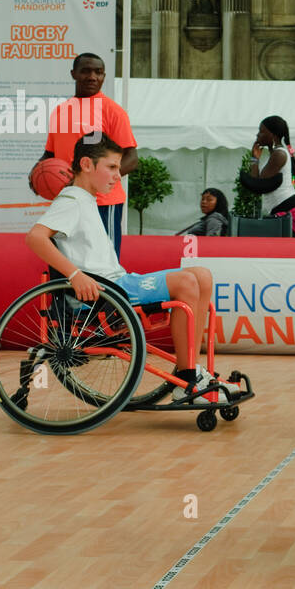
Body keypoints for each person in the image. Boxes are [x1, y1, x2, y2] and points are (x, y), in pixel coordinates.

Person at [25, 135, 229, 403]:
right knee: (188, 282)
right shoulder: (72, 201)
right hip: (105, 294)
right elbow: (35, 237)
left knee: (202, 275)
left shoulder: (86, 199)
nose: (118, 176)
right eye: (111, 167)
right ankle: (188, 379)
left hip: (117, 285)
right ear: (86, 164)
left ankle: (190, 369)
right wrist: (76, 276)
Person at [39, 53, 138, 255]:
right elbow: (50, 155)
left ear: (103, 76)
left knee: (103, 265)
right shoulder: (60, 111)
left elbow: (131, 157)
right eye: (86, 71)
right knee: (65, 262)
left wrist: (100, 180)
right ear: (73, 74)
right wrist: (37, 174)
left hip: (101, 203)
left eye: (98, 72)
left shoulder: (113, 111)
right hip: (67, 200)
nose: (92, 77)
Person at [240, 115, 295, 237]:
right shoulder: (276, 154)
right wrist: (255, 159)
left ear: (272, 135)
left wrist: (254, 160)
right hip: (286, 211)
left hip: (292, 213)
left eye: (261, 131)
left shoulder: (279, 155)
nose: (258, 135)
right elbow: (257, 182)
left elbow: (259, 185)